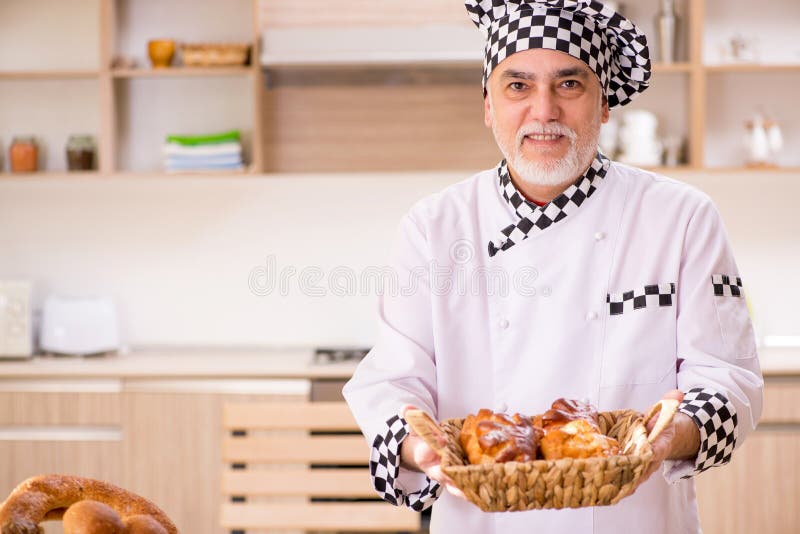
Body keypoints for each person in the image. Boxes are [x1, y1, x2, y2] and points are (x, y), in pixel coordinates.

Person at [342, 1, 763, 532]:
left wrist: (670, 433)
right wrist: (416, 447)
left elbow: (730, 377)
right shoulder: (434, 227)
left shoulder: (681, 217)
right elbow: (394, 378)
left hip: (633, 522)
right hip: (482, 522)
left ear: (604, 103)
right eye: (518, 86)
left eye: (569, 85)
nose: (544, 111)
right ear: (489, 106)